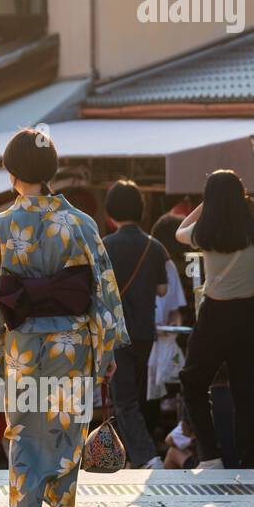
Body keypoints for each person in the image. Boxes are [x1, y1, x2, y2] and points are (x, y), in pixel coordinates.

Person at [0, 127, 126, 507]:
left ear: (10, 171)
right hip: (73, 345)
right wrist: (107, 346)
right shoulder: (81, 224)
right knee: (67, 437)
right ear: (52, 170)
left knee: (24, 430)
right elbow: (102, 290)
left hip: (24, 347)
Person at [175, 169, 254, 468]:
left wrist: (205, 204)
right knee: (246, 392)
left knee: (192, 382)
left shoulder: (205, 231)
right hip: (247, 314)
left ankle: (211, 455)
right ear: (241, 197)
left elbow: (179, 231)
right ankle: (250, 461)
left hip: (214, 316)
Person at [101, 179, 169, 469]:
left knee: (125, 398)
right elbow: (163, 290)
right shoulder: (154, 246)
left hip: (117, 332)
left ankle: (147, 457)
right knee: (134, 396)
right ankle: (131, 457)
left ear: (111, 212)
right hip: (145, 330)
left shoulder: (105, 245)